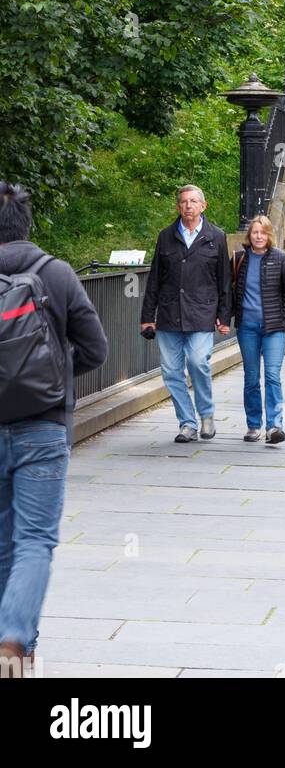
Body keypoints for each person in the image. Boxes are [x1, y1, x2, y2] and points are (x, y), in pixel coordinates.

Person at [0, 181, 108, 677]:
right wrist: (54, 379)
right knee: (35, 541)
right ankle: (16, 644)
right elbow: (96, 350)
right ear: (26, 224)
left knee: (4, 542)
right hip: (42, 427)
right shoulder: (57, 274)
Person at [140, 185, 232, 443]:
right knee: (170, 371)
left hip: (201, 312)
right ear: (178, 207)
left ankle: (206, 414)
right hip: (169, 314)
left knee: (198, 362)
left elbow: (224, 280)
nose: (188, 206)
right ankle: (187, 422)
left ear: (204, 206)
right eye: (183, 202)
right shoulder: (166, 236)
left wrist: (224, 316)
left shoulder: (216, 236)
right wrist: (148, 316)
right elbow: (155, 279)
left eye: (193, 201)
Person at [231, 215, 285, 444]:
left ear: (269, 235)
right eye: (255, 232)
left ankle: (275, 426)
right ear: (249, 235)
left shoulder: (281, 258)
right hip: (247, 327)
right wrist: (223, 318)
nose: (259, 236)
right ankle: (253, 424)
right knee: (251, 377)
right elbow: (228, 291)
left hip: (275, 327)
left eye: (263, 233)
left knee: (272, 376)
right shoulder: (239, 259)